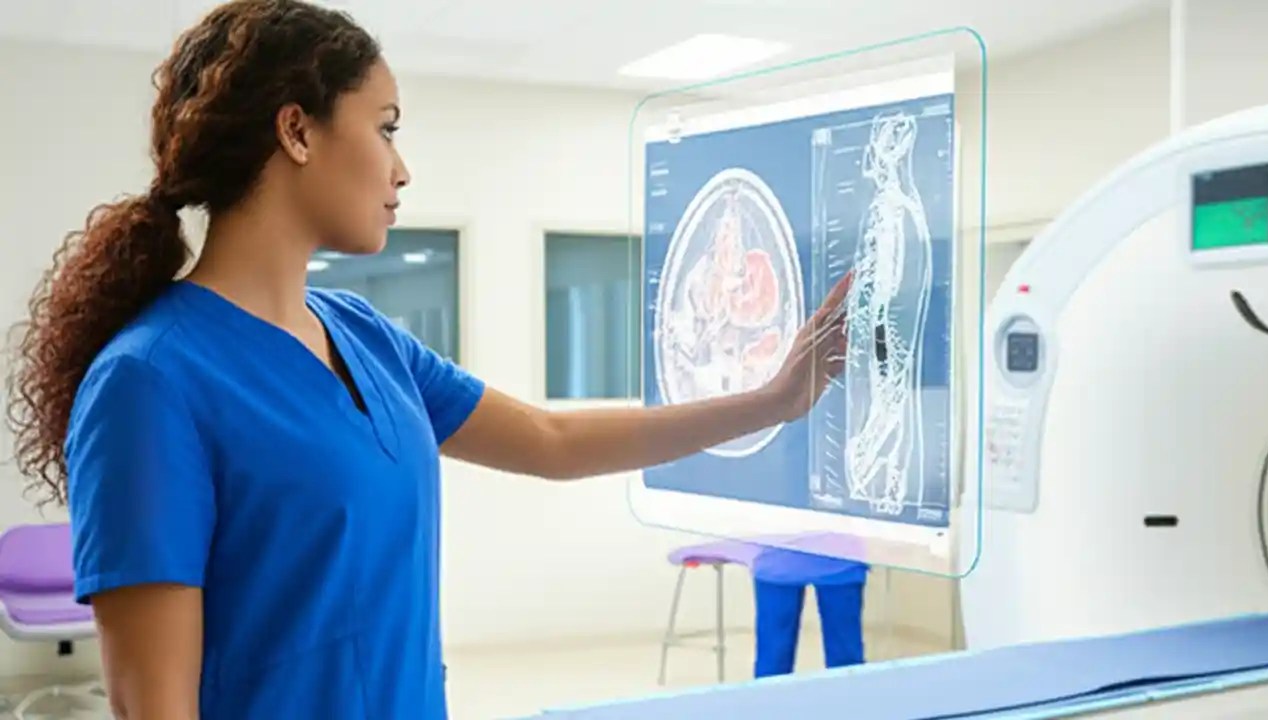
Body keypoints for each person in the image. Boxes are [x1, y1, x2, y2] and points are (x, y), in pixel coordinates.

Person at [1, 1, 851, 718]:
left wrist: (770, 402)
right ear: (297, 130)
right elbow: (154, 704)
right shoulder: (149, 381)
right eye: (386, 127)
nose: (402, 169)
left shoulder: (364, 335)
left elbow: (553, 440)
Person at [750, 548, 868, 678]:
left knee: (846, 660)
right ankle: (769, 698)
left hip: (839, 553)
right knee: (773, 661)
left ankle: (848, 696)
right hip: (778, 554)